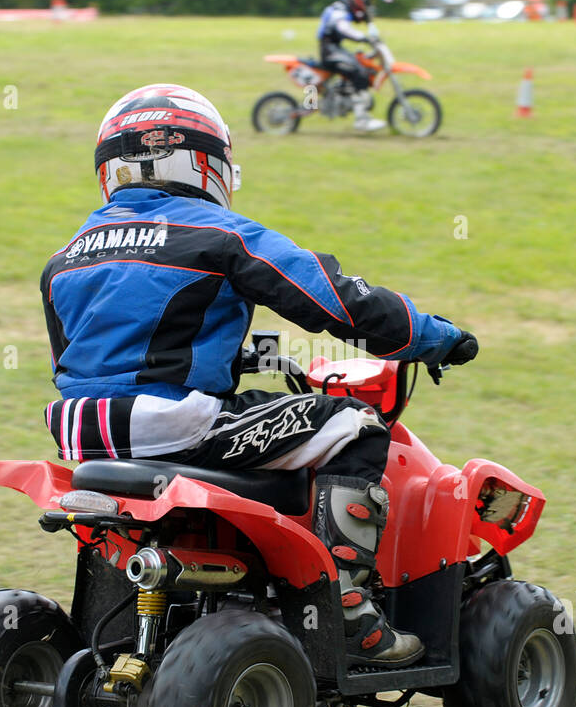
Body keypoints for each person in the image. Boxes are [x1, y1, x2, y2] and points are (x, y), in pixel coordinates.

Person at [40, 84, 478, 667]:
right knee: (355, 423)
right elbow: (333, 300)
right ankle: (347, 609)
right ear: (206, 164)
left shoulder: (67, 254)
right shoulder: (221, 234)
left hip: (82, 435)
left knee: (253, 404)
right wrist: (432, 336)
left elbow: (100, 355)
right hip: (177, 423)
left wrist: (238, 359)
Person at [316, 0, 394, 131]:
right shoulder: (339, 11)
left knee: (363, 65)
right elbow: (343, 28)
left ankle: (348, 98)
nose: (368, 5)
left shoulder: (343, 9)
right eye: (367, 0)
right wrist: (363, 38)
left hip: (334, 49)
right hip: (329, 52)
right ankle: (361, 120)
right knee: (359, 73)